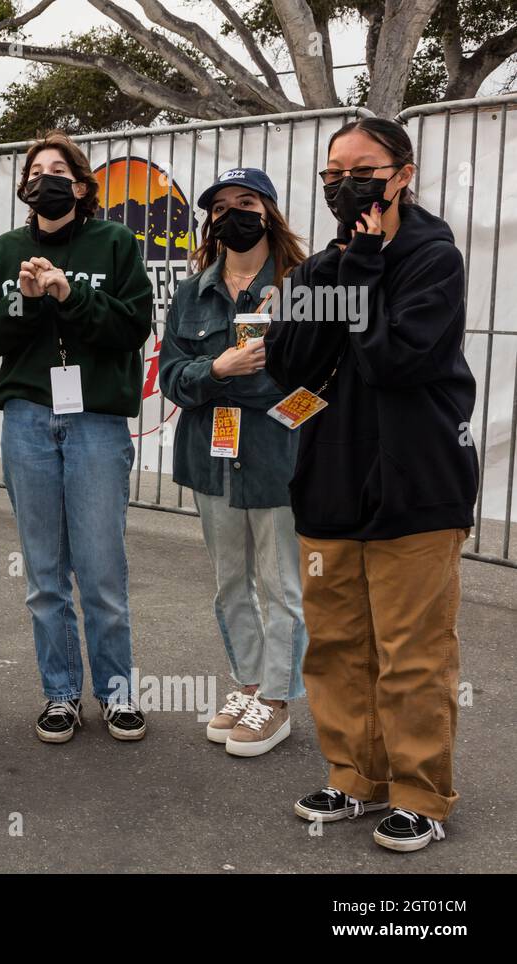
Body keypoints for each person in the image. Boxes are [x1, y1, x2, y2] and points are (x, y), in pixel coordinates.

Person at [265, 118, 478, 852]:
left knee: (413, 648)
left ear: (403, 174)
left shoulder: (432, 258)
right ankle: (354, 775)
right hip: (330, 478)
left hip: (416, 485)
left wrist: (360, 275)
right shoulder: (320, 268)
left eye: (361, 170)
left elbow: (396, 361)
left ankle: (421, 792)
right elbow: (287, 365)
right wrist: (345, 269)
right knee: (335, 642)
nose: (344, 185)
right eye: (331, 174)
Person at [0, 131, 154, 744]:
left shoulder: (115, 243)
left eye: (59, 170)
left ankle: (118, 694)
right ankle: (61, 693)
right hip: (27, 421)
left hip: (96, 421)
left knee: (100, 570)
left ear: (80, 185)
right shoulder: (6, 250)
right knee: (45, 573)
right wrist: (23, 300)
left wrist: (72, 294)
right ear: (25, 186)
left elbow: (132, 327)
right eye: (35, 170)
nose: (46, 178)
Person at [158, 167, 309, 756]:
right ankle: (248, 685)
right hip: (212, 457)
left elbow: (327, 381)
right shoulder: (193, 292)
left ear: (269, 211)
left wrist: (283, 421)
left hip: (276, 459)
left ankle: (277, 699)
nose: (231, 214)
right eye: (219, 207)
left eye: (245, 202)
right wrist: (214, 370)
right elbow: (171, 374)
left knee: (281, 585)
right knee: (229, 585)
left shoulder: (303, 287)